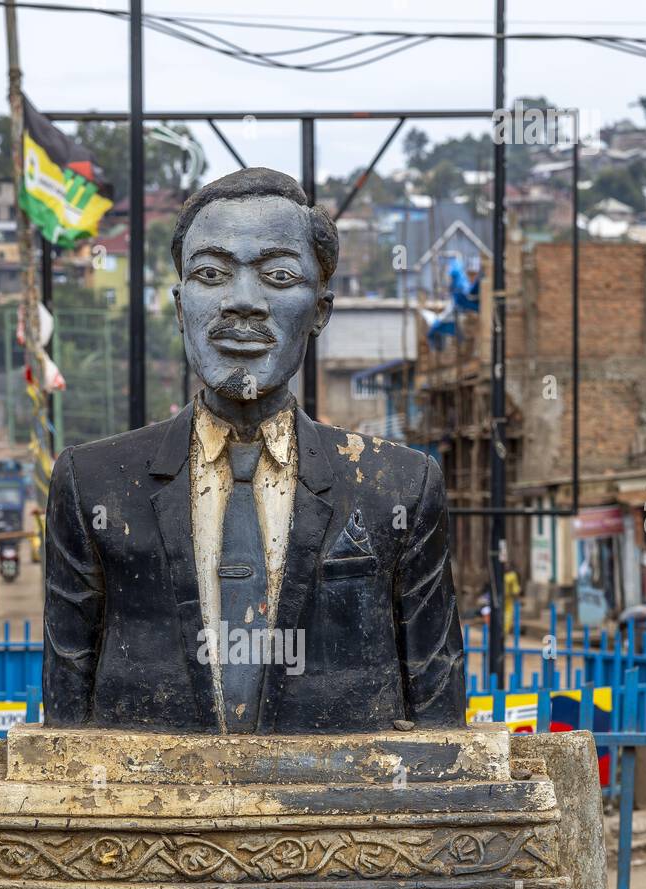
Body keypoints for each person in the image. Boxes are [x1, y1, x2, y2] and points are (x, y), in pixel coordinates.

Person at [43, 167, 465, 733]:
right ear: (180, 304)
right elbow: (63, 734)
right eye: (212, 273)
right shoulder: (92, 483)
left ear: (319, 311)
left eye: (279, 275)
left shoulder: (399, 487)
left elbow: (440, 725)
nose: (243, 302)